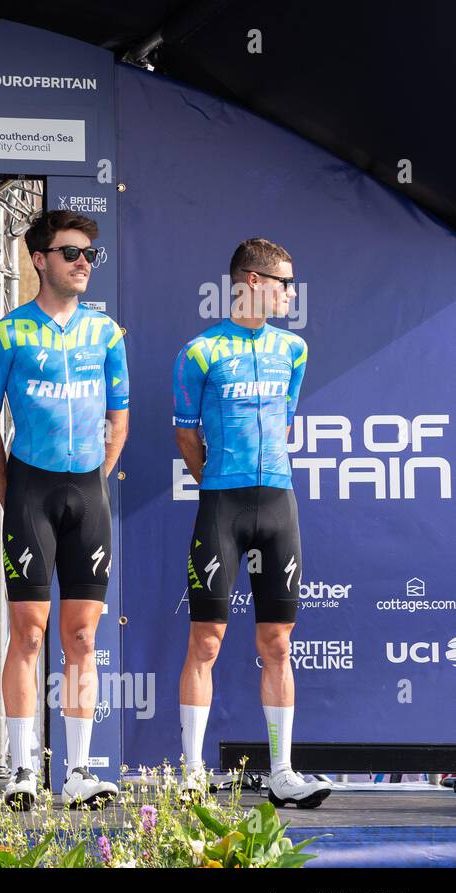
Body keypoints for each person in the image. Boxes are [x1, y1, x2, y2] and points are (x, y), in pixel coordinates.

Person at [0, 210, 129, 809]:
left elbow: (120, 419)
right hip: (29, 492)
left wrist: (96, 478)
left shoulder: (107, 333)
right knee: (28, 634)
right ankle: (20, 771)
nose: (83, 262)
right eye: (70, 252)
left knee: (83, 636)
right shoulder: (9, 334)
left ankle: (79, 772)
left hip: (85, 492)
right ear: (39, 259)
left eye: (90, 253)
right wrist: (13, 494)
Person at [173, 238, 329, 809]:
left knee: (278, 642)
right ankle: (190, 773)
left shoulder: (294, 349)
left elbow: (284, 418)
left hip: (278, 502)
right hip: (223, 504)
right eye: (284, 282)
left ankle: (282, 773)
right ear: (252, 281)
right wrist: (215, 479)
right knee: (206, 640)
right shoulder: (200, 352)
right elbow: (187, 434)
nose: (291, 291)